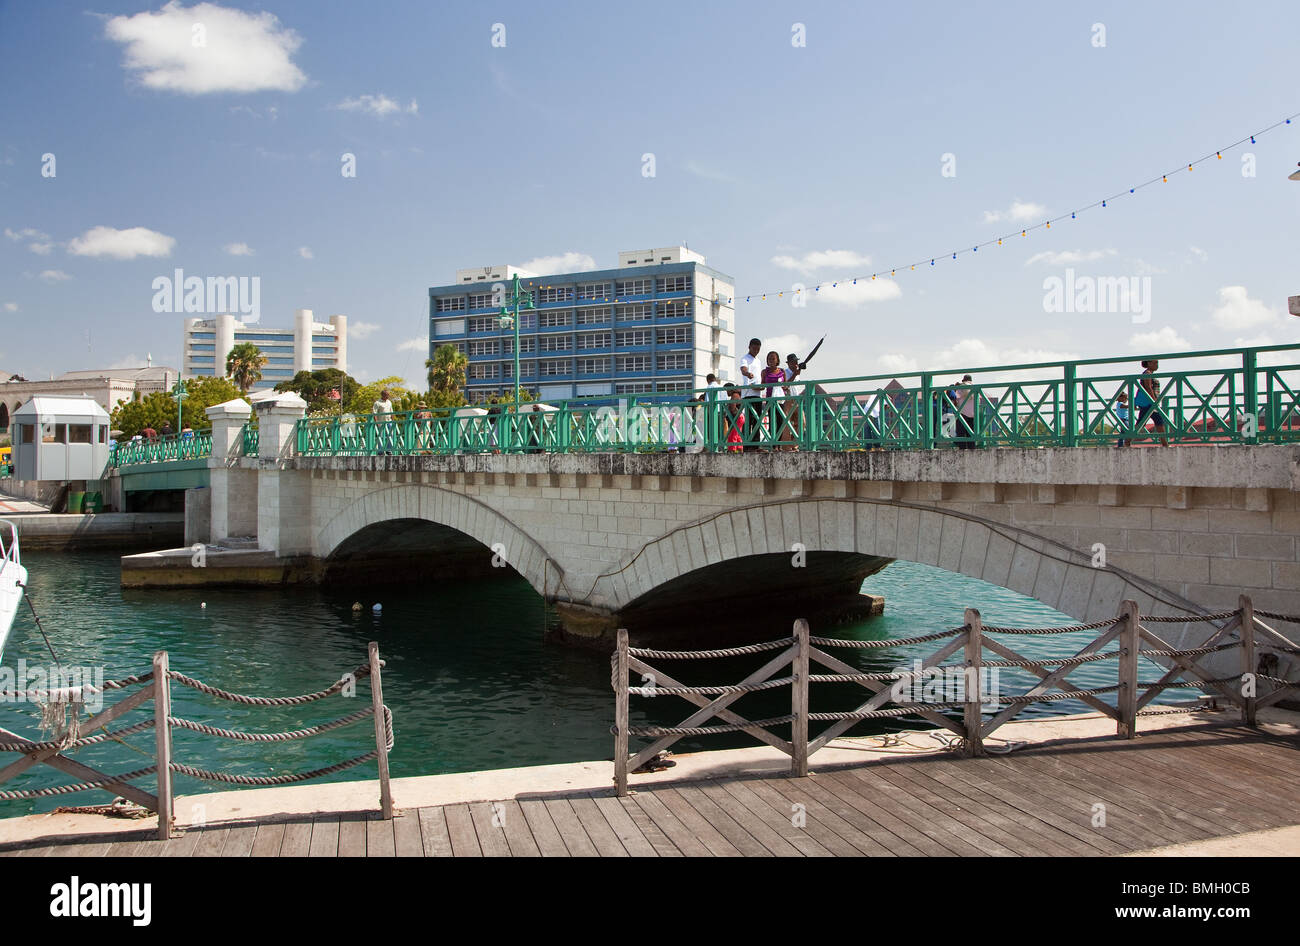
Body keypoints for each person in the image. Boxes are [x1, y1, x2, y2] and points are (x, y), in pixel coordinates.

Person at [1134, 360, 1168, 446]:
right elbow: (1148, 387)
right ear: (1149, 363)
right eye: (1155, 363)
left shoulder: (1149, 373)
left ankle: (1127, 441)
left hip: (1149, 403)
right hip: (1149, 403)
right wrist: (1154, 401)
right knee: (1156, 421)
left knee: (1145, 423)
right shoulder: (1147, 373)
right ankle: (1165, 444)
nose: (1157, 365)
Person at [738, 338, 763, 450]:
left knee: (757, 419)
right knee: (749, 420)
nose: (756, 351)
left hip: (758, 393)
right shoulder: (745, 358)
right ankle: (747, 445)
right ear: (749, 347)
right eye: (754, 348)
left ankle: (756, 445)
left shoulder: (758, 360)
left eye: (758, 349)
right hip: (748, 393)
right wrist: (747, 374)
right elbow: (743, 369)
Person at [953, 374, 976, 449]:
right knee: (971, 434)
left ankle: (962, 448)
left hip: (963, 413)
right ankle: (972, 449)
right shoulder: (976, 388)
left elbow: (956, 397)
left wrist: (956, 387)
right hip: (973, 414)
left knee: (960, 433)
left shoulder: (962, 387)